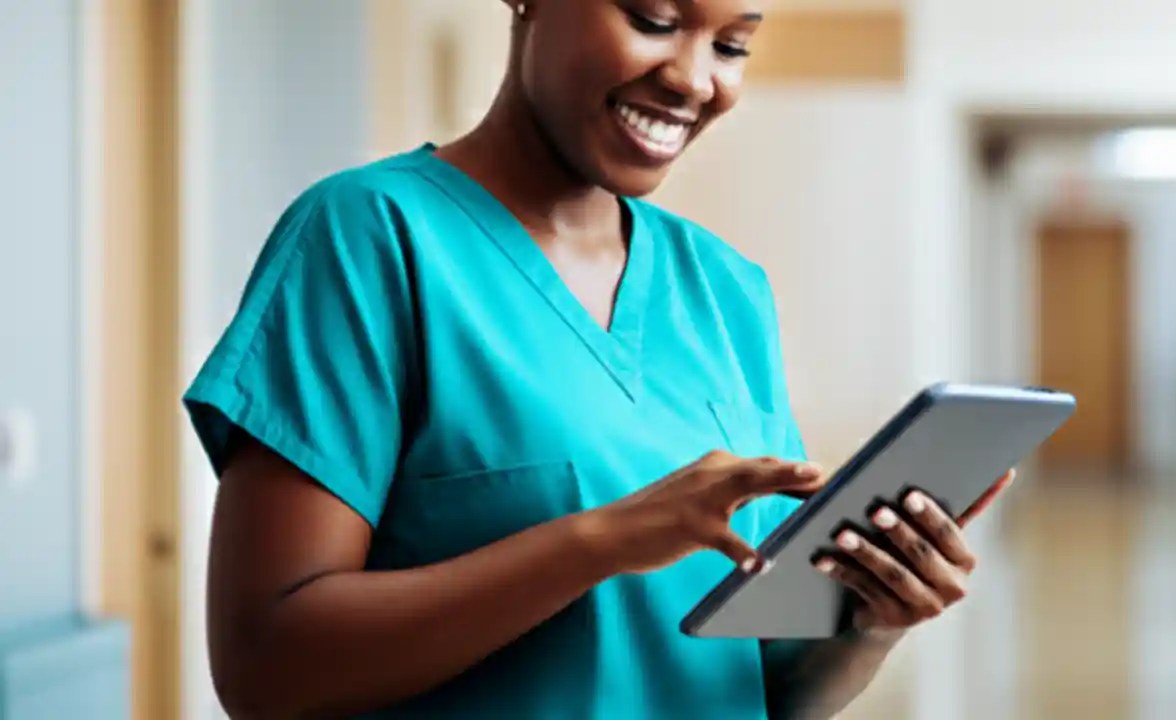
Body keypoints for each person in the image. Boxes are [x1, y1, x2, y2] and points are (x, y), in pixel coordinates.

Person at [184, 0, 1015, 717]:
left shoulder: (727, 292)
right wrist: (602, 541)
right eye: (653, 20)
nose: (694, 78)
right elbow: (265, 670)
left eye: (732, 45)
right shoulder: (368, 238)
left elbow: (761, 690)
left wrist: (870, 620)